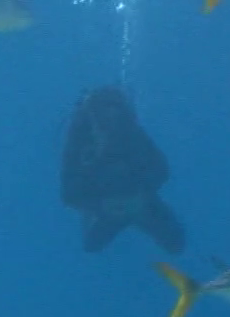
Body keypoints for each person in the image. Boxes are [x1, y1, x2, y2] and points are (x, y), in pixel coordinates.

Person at [60, 86, 185, 256]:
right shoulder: (79, 142)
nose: (111, 121)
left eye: (116, 115)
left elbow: (161, 169)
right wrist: (100, 205)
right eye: (103, 117)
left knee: (176, 243)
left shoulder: (131, 134)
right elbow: (69, 193)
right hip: (109, 208)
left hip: (139, 202)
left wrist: (141, 195)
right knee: (91, 246)